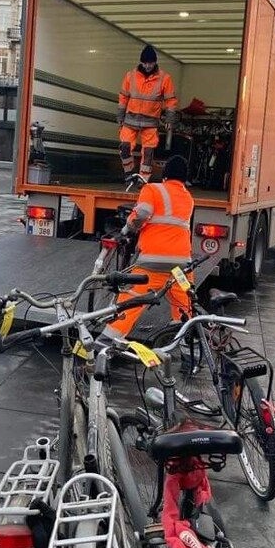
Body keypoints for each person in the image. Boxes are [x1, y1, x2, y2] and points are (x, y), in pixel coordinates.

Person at [99, 154, 193, 343]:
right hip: (181, 267)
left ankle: (104, 343)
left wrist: (127, 228)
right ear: (184, 179)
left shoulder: (152, 189)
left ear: (165, 175)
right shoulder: (188, 197)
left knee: (130, 301)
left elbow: (141, 214)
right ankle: (189, 352)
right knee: (185, 307)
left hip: (152, 264)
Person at [117, 44, 177, 187]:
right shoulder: (130, 76)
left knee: (148, 152)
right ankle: (129, 174)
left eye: (150, 62)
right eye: (145, 62)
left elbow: (170, 100)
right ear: (141, 62)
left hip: (150, 122)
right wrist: (120, 116)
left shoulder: (164, 78)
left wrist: (169, 119)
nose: (148, 65)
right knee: (124, 147)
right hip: (130, 119)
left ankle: (143, 180)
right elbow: (123, 97)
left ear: (155, 62)